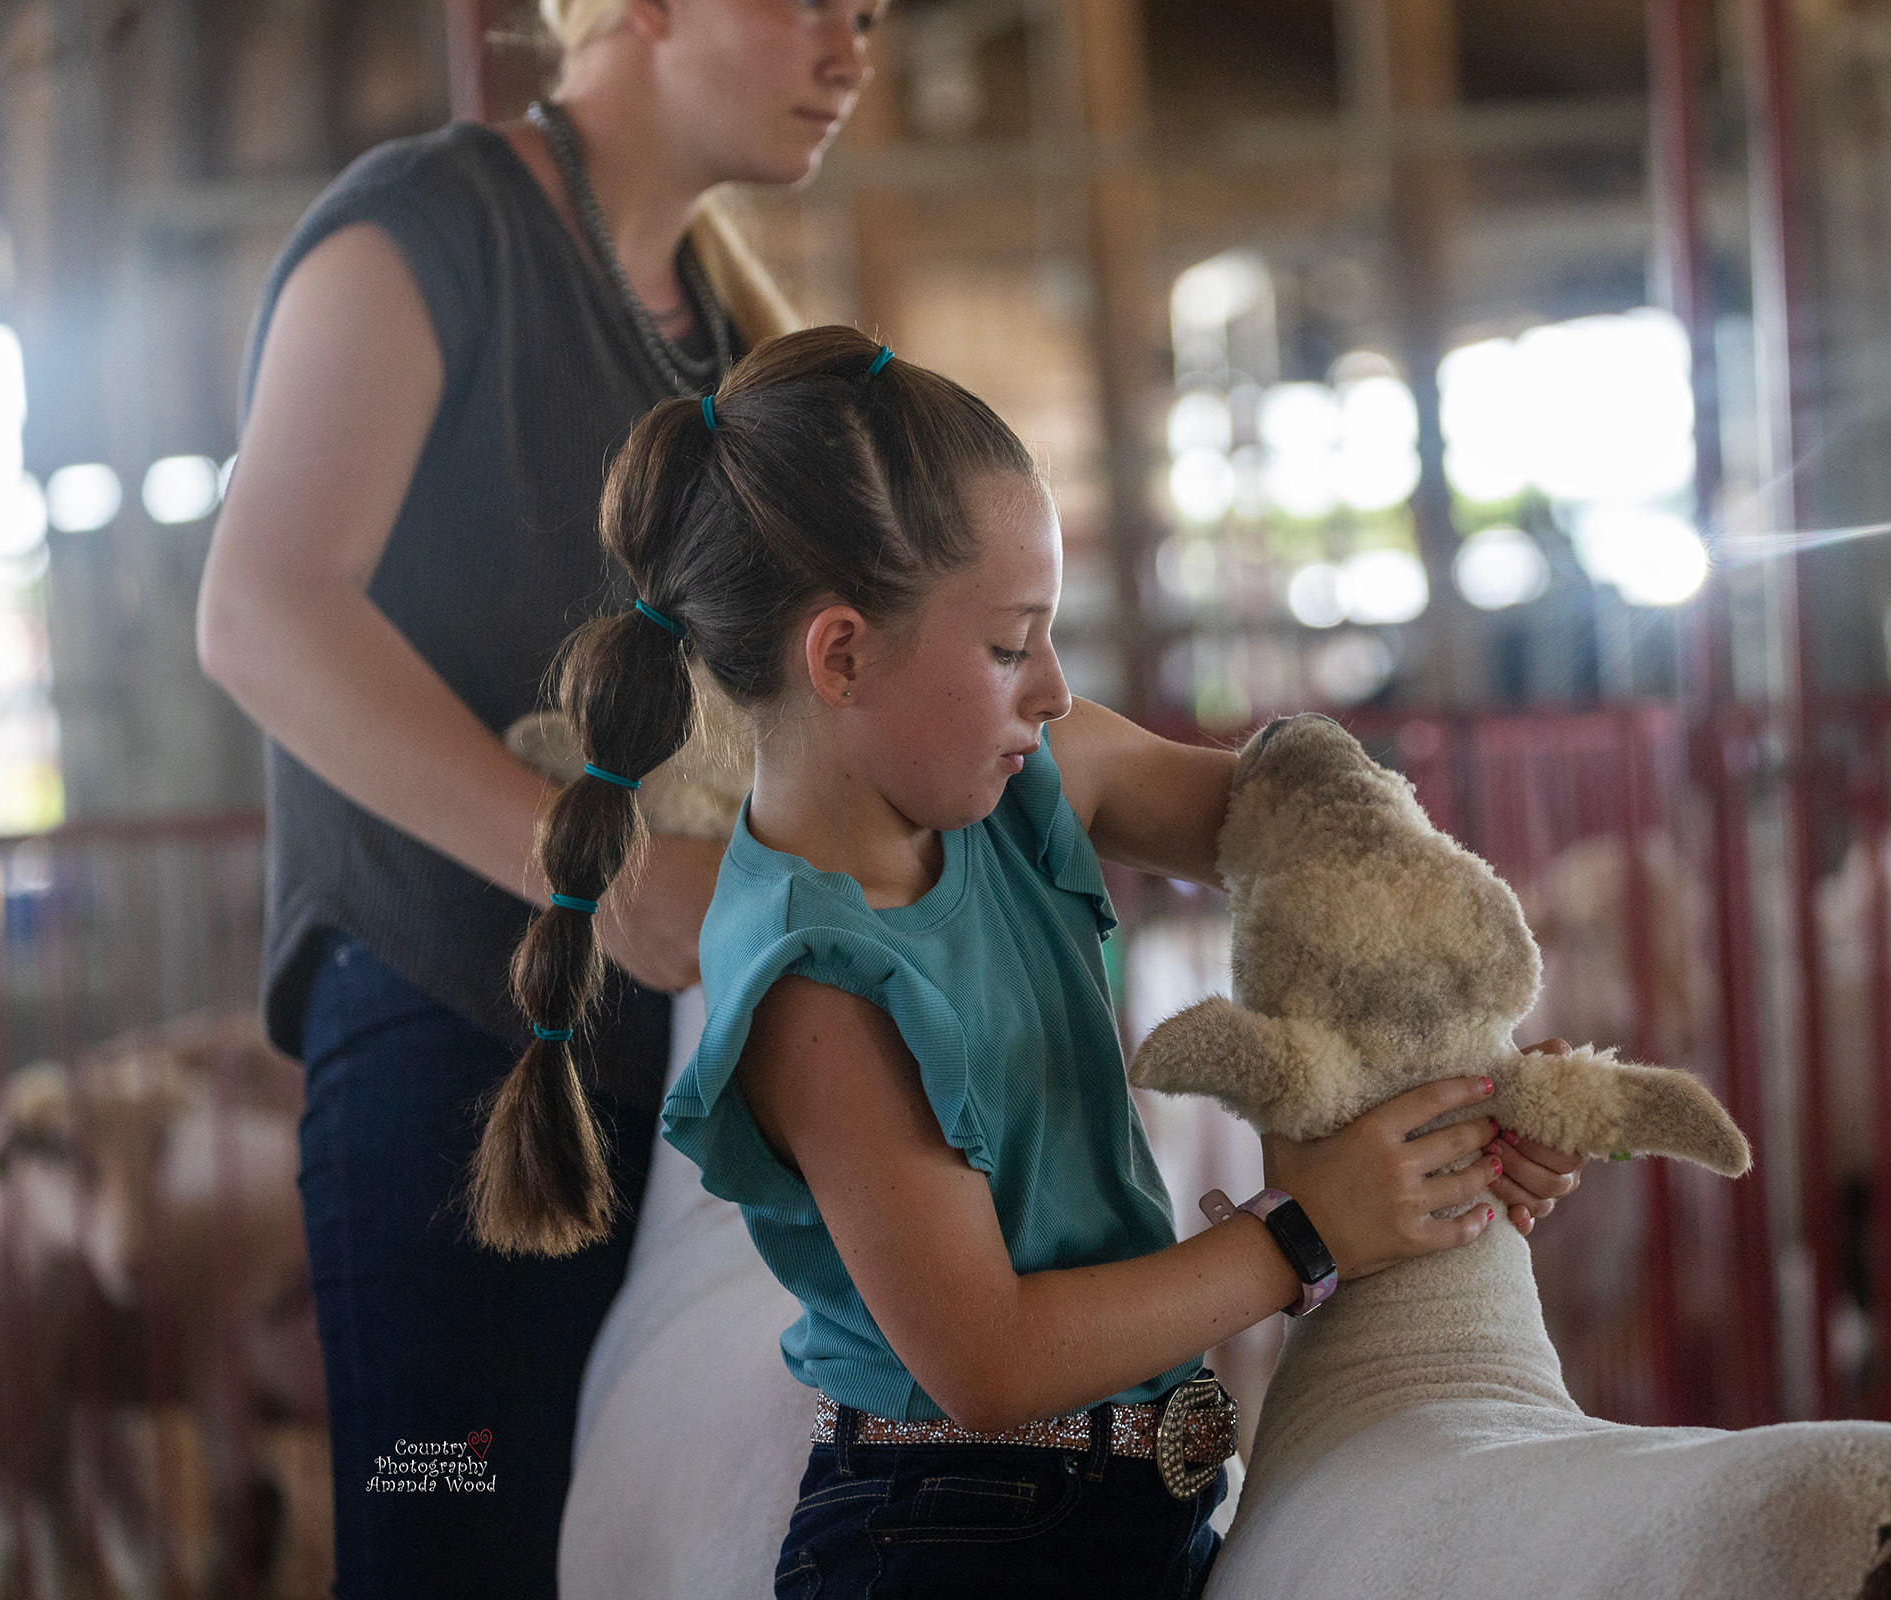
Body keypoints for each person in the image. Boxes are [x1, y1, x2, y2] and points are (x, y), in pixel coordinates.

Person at [469, 326, 1587, 1598]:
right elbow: (986, 1358)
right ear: (841, 656)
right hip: (952, 1539)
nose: (1053, 687)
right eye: (1012, 644)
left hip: (1143, 1501)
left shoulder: (1027, 781)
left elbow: (1320, 859)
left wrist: (1461, 1089)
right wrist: (1310, 1228)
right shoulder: (812, 977)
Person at [194, 1, 874, 1592]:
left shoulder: (740, 329)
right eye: (815, 3)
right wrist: (606, 877)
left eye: (871, 13)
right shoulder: (430, 227)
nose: (853, 48)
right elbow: (261, 609)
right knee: (454, 1530)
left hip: (701, 1078)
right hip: (462, 1060)